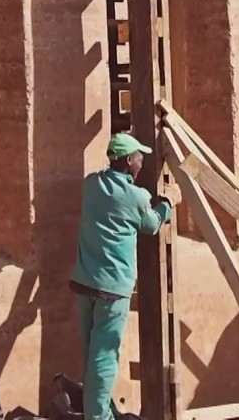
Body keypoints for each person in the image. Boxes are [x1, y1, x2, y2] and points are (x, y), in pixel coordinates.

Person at [70, 133, 175, 420]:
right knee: (104, 356)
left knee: (90, 354)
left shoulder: (91, 185)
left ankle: (100, 408)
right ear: (128, 161)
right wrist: (167, 204)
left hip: (84, 282)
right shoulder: (136, 196)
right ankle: (98, 417)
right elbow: (151, 224)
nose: (142, 162)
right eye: (139, 157)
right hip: (112, 289)